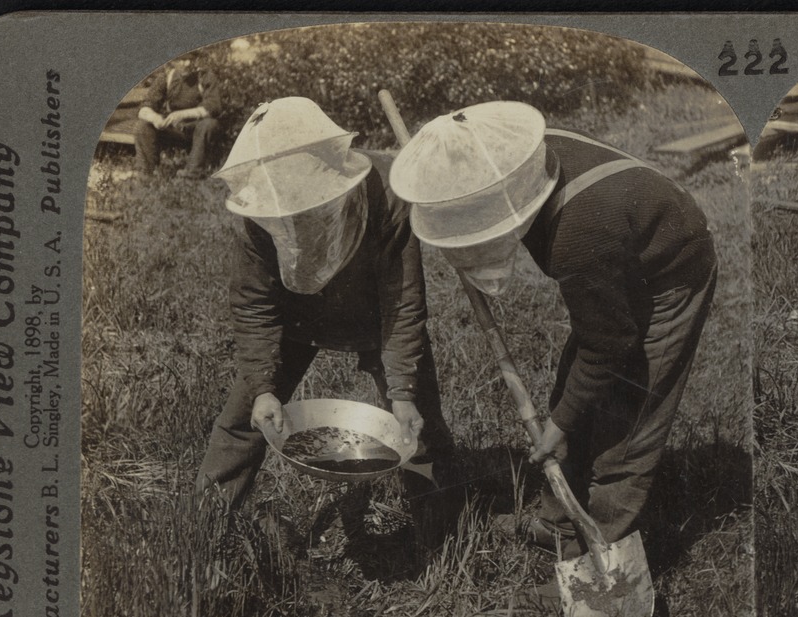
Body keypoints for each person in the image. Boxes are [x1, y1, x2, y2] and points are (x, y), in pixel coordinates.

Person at [391, 101, 717, 563]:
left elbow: (609, 345)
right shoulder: (523, 158)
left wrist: (560, 424)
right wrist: (563, 418)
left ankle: (600, 552)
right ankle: (557, 526)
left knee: (626, 424)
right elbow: (599, 338)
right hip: (618, 259)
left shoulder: (580, 230)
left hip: (670, 274)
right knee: (572, 396)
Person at [196, 96, 459, 549]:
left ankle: (445, 538)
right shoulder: (255, 211)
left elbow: (403, 302)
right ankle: (200, 531)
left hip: (376, 318)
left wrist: (402, 392)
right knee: (242, 422)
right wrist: (263, 388)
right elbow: (254, 305)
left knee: (419, 428)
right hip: (294, 319)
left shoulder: (388, 193)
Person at [135, 58, 226, 178]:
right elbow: (145, 107)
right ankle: (147, 173)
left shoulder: (204, 76)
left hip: (196, 131)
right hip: (174, 130)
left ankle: (193, 171)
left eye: (190, 58)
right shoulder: (166, 77)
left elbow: (213, 107)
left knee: (209, 124)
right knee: (143, 125)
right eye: (182, 59)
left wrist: (181, 114)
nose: (187, 63)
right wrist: (155, 118)